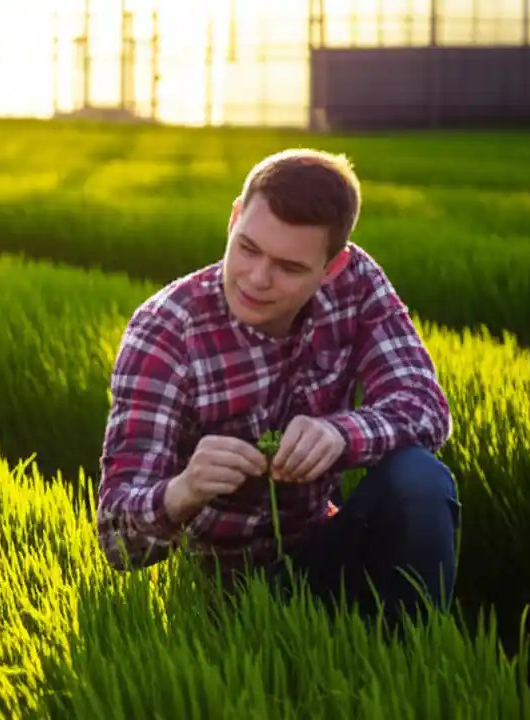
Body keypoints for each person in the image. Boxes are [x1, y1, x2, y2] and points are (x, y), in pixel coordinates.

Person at [95, 148, 460, 627]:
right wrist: (183, 491)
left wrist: (339, 435)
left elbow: (425, 406)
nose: (257, 279)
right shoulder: (166, 331)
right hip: (221, 589)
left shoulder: (355, 283)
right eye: (247, 248)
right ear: (233, 220)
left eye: (289, 267)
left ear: (332, 266)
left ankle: (413, 656)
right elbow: (117, 540)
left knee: (419, 479)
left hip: (320, 548)